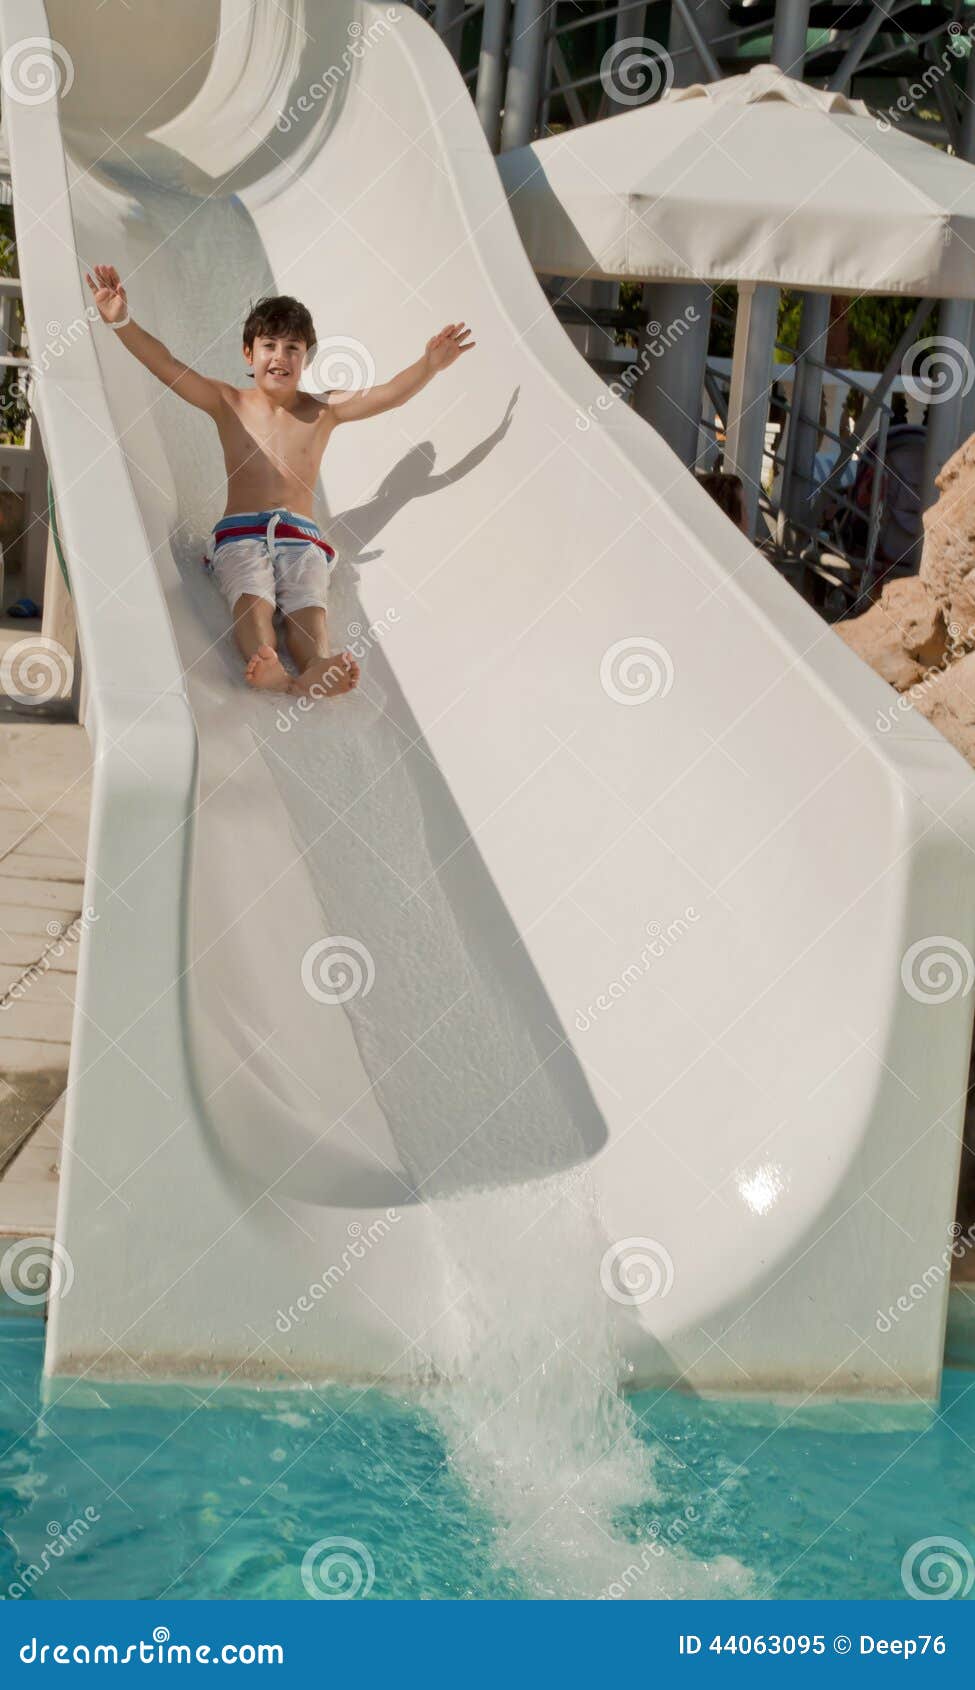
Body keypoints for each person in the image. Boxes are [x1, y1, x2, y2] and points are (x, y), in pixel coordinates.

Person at [84, 265, 475, 698]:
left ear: (306, 358)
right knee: (252, 600)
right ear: (248, 354)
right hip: (241, 533)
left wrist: (429, 365)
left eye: (293, 348)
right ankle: (268, 663)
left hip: (302, 537)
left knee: (309, 607)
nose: (280, 356)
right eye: (269, 345)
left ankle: (314, 665)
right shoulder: (227, 401)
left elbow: (388, 393)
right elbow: (166, 365)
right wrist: (120, 319)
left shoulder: (324, 409)